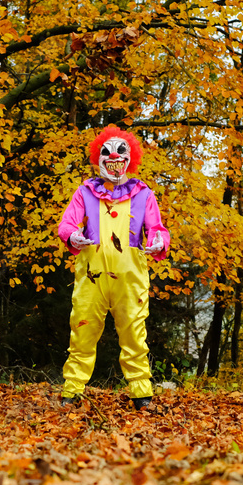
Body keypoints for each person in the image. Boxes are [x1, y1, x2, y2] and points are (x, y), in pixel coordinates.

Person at [57, 126, 171, 409]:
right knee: (82, 328)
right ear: (98, 157)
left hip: (129, 276)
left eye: (120, 152)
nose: (113, 157)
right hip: (91, 274)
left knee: (133, 331)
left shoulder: (144, 194)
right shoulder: (85, 192)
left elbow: (157, 228)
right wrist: (73, 235)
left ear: (130, 158)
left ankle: (141, 392)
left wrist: (158, 241)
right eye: (107, 152)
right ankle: (72, 390)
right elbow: (67, 223)